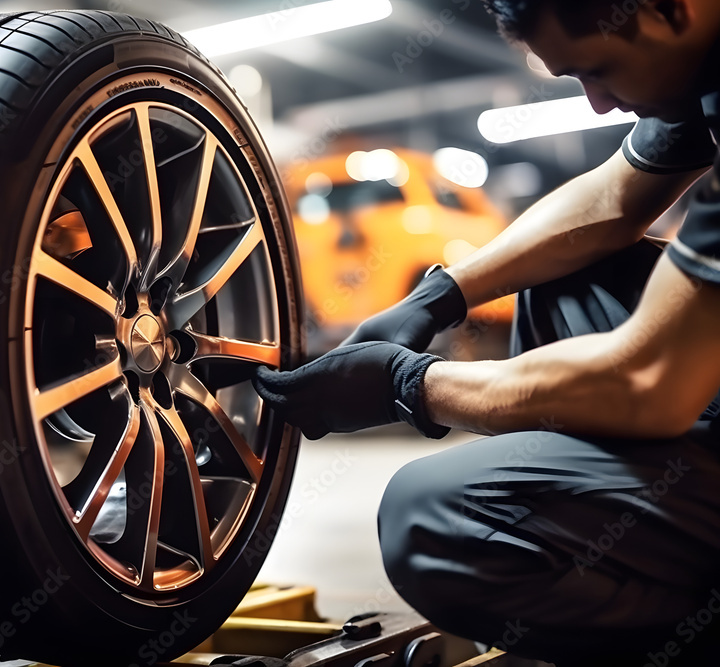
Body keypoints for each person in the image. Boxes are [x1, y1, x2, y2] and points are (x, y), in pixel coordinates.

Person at [253, 1, 720, 664]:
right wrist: (441, 296)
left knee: (432, 519)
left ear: (669, 8)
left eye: (599, 70)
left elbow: (648, 381)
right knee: (572, 272)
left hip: (661, 387)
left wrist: (407, 384)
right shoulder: (697, 69)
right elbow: (611, 198)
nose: (596, 105)